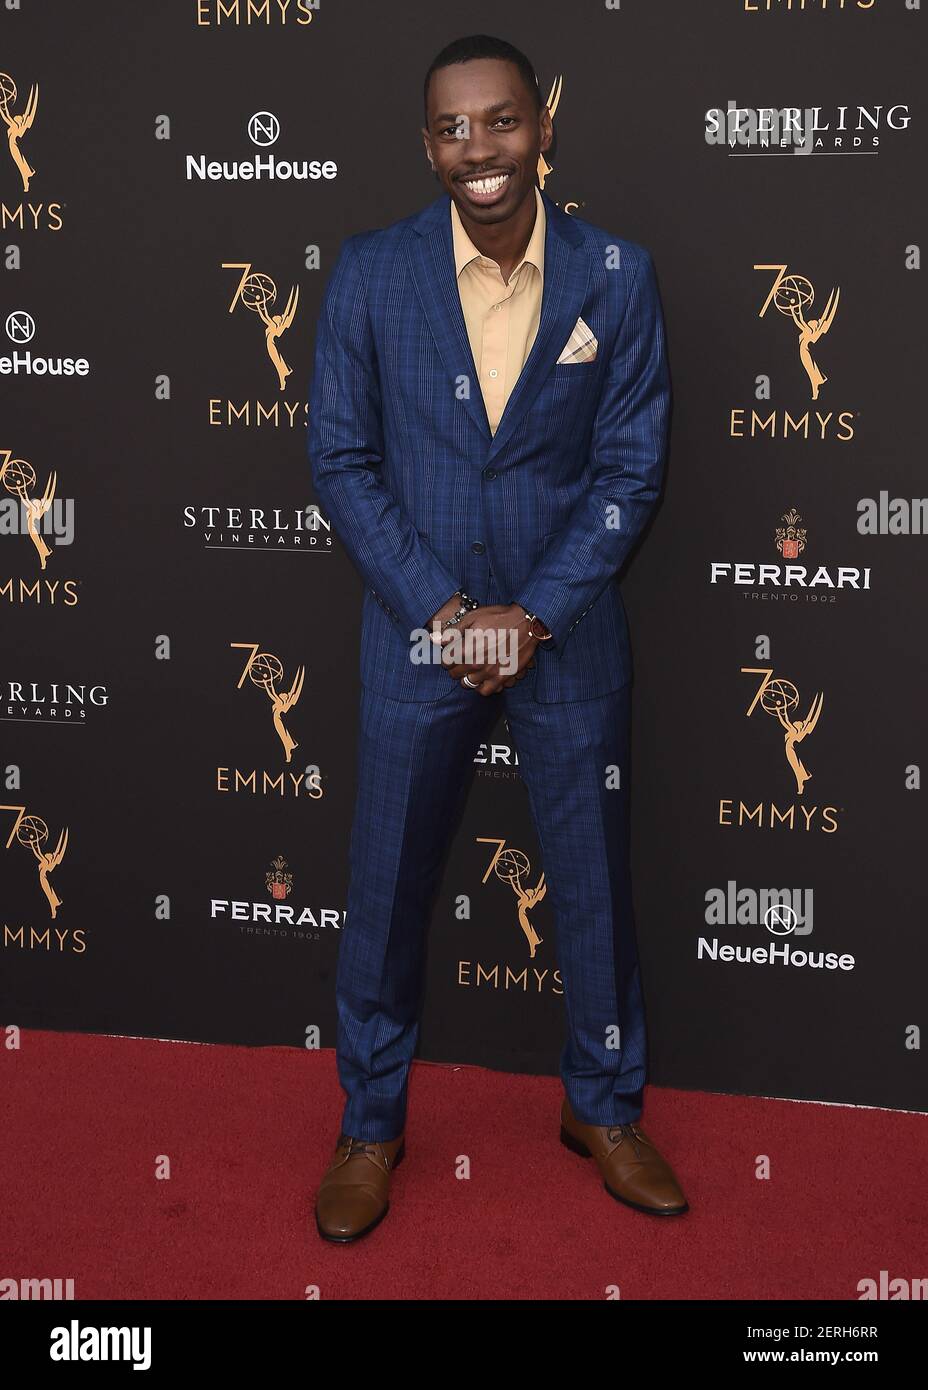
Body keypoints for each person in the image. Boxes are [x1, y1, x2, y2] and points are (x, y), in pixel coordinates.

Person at [306, 33, 687, 1243]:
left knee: (592, 890)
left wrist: (532, 615)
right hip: (418, 634)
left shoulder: (616, 274)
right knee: (384, 890)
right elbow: (342, 461)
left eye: (501, 121)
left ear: (544, 125)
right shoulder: (368, 276)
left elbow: (632, 469)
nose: (480, 150)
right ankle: (369, 1125)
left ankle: (605, 1109)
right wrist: (447, 615)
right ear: (428, 145)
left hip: (565, 634)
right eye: (454, 129)